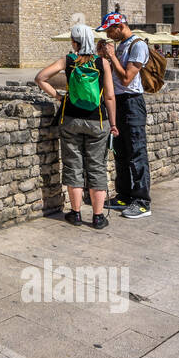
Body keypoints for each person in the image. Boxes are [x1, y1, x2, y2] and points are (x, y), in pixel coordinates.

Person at [35, 23, 118, 229]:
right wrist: (113, 123)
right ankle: (98, 217)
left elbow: (41, 78)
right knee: (96, 167)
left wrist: (59, 97)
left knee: (73, 166)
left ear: (75, 42)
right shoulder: (102, 63)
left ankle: (76, 213)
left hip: (70, 120)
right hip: (97, 121)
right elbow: (109, 96)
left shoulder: (68, 60)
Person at [97, 11, 152, 219]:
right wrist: (105, 56)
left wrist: (111, 56)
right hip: (119, 102)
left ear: (119, 26)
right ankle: (124, 195)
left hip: (132, 102)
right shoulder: (122, 45)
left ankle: (142, 201)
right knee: (121, 150)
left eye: (110, 30)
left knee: (137, 151)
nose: (109, 35)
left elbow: (127, 78)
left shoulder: (138, 45)